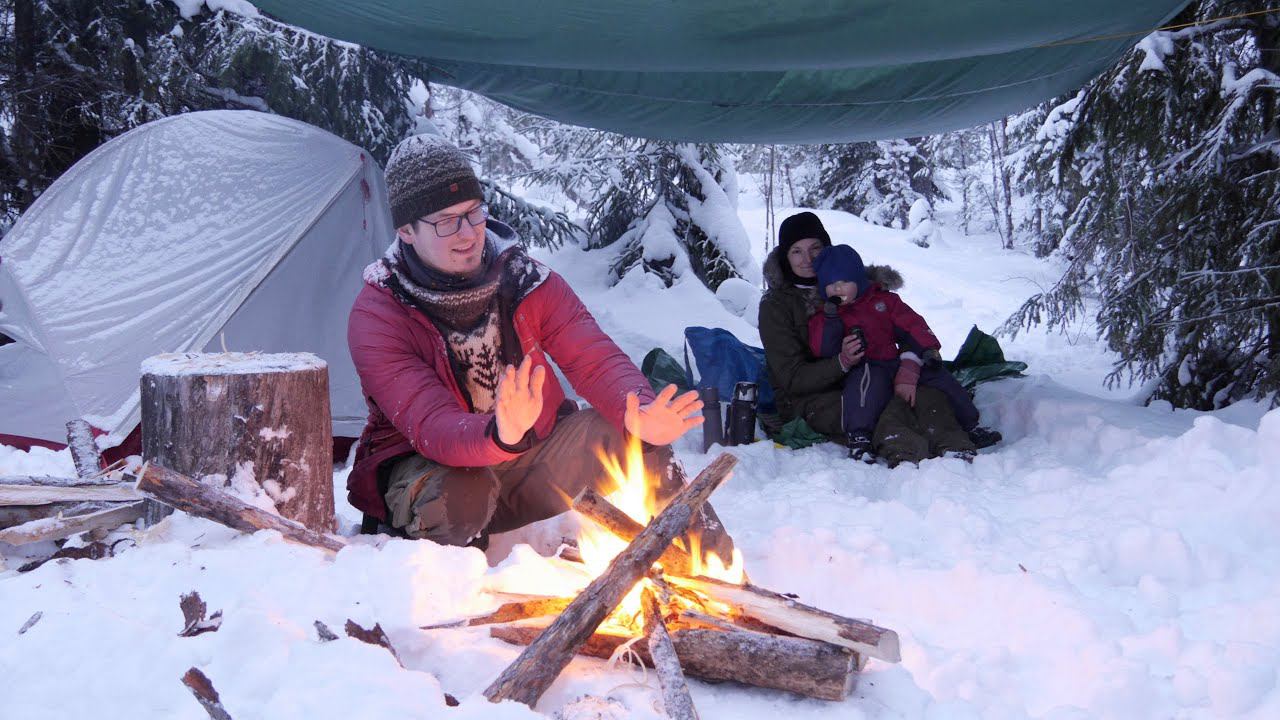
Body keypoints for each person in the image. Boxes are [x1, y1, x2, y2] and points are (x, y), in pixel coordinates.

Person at [346, 134, 730, 554]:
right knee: (462, 496)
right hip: (435, 475)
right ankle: (449, 582)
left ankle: (714, 564)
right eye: (445, 221)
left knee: (636, 436)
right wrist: (500, 432)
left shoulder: (524, 280)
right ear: (406, 230)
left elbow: (593, 358)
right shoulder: (381, 314)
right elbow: (431, 426)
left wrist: (636, 411)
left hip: (527, 461)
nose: (467, 233)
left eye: (473, 212)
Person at [758, 211, 977, 467]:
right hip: (813, 396)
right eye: (796, 251)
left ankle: (954, 442)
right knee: (877, 405)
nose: (808, 259)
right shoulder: (777, 305)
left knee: (924, 392)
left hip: (872, 372)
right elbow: (792, 378)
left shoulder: (854, 283)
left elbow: (902, 325)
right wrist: (841, 363)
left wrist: (909, 364)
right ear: (785, 256)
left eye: (815, 248)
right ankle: (905, 453)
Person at [809, 244, 1001, 463]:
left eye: (844, 282)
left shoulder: (884, 301)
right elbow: (822, 348)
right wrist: (831, 319)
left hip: (896, 359)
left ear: (859, 280)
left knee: (941, 379)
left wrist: (927, 348)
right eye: (831, 284)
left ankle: (970, 425)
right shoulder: (826, 316)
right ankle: (859, 437)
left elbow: (912, 325)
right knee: (862, 392)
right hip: (867, 365)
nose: (837, 289)